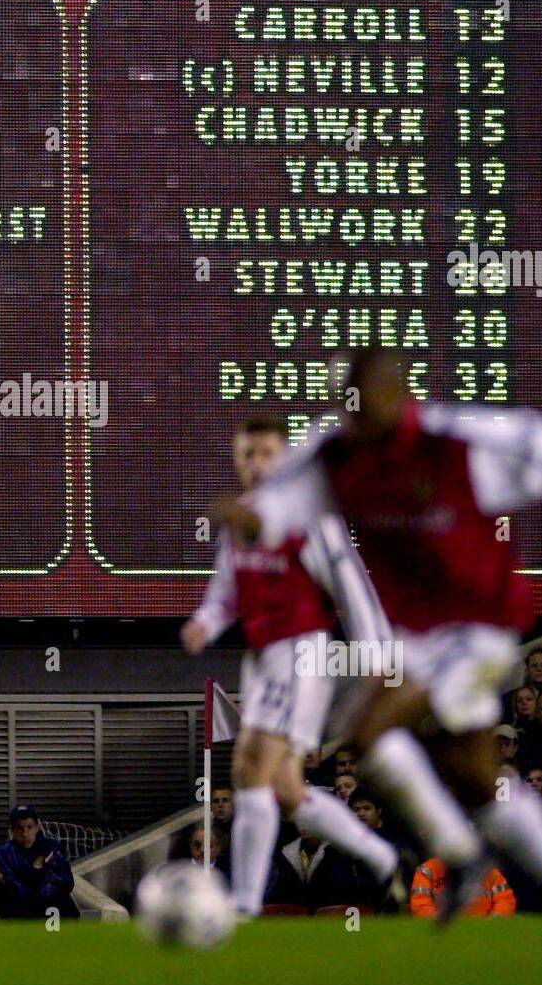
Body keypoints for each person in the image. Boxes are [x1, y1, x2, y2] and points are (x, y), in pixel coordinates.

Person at [218, 348, 542, 918]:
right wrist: (252, 517)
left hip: (480, 625)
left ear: (400, 396)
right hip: (419, 635)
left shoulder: (460, 441)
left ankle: (460, 855)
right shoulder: (336, 455)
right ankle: (470, 845)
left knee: (365, 731)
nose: (355, 417)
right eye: (347, 407)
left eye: (364, 405)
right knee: (479, 786)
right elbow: (279, 505)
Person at [182, 415, 400, 918]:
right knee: (285, 787)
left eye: (267, 453)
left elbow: (352, 586)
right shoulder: (240, 522)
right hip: (263, 659)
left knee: (249, 766)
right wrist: (205, 623)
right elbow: (226, 594)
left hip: (303, 653)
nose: (257, 463)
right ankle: (379, 854)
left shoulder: (309, 518)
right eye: (248, 454)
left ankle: (243, 905)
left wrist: (377, 658)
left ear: (286, 460)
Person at [0, 805, 79, 920]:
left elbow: (64, 881)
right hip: (20, 910)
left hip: (51, 907)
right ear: (12, 830)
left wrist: (39, 894)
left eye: (29, 827)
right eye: (20, 828)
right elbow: (9, 885)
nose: (24, 833)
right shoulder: (4, 852)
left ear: (37, 828)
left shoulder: (51, 848)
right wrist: (35, 872)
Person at [410, 858, 516, 918]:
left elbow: (505, 901)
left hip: (484, 933)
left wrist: (491, 924)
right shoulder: (427, 870)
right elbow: (420, 906)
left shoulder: (487, 871)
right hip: (445, 933)